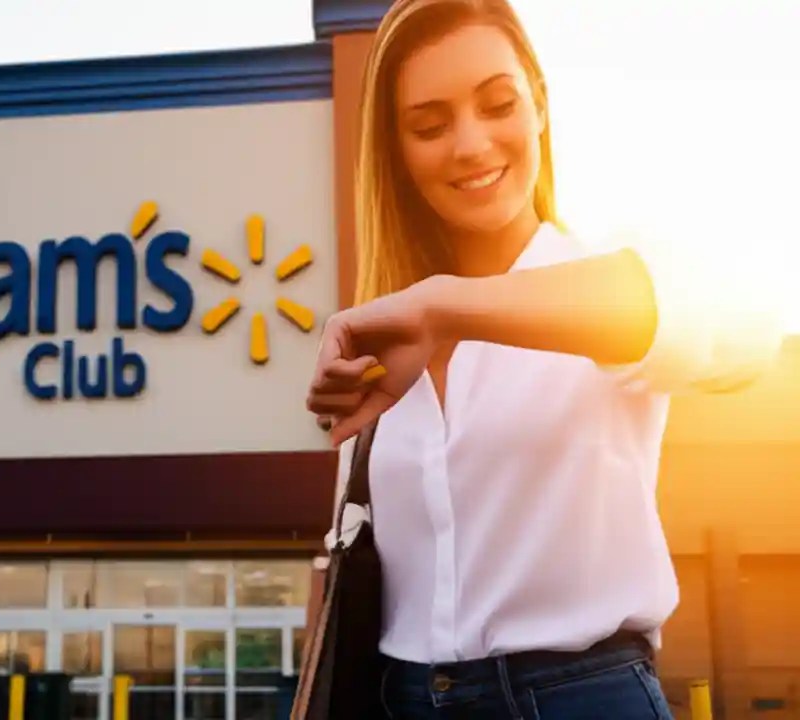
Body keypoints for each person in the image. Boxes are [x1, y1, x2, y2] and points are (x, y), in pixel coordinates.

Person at [305, 0, 783, 717]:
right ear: (396, 151)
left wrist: (446, 306)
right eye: (430, 126)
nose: (470, 144)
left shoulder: (608, 279)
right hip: (398, 697)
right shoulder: (382, 344)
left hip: (578, 696)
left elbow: (748, 333)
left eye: (498, 104)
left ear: (540, 106)